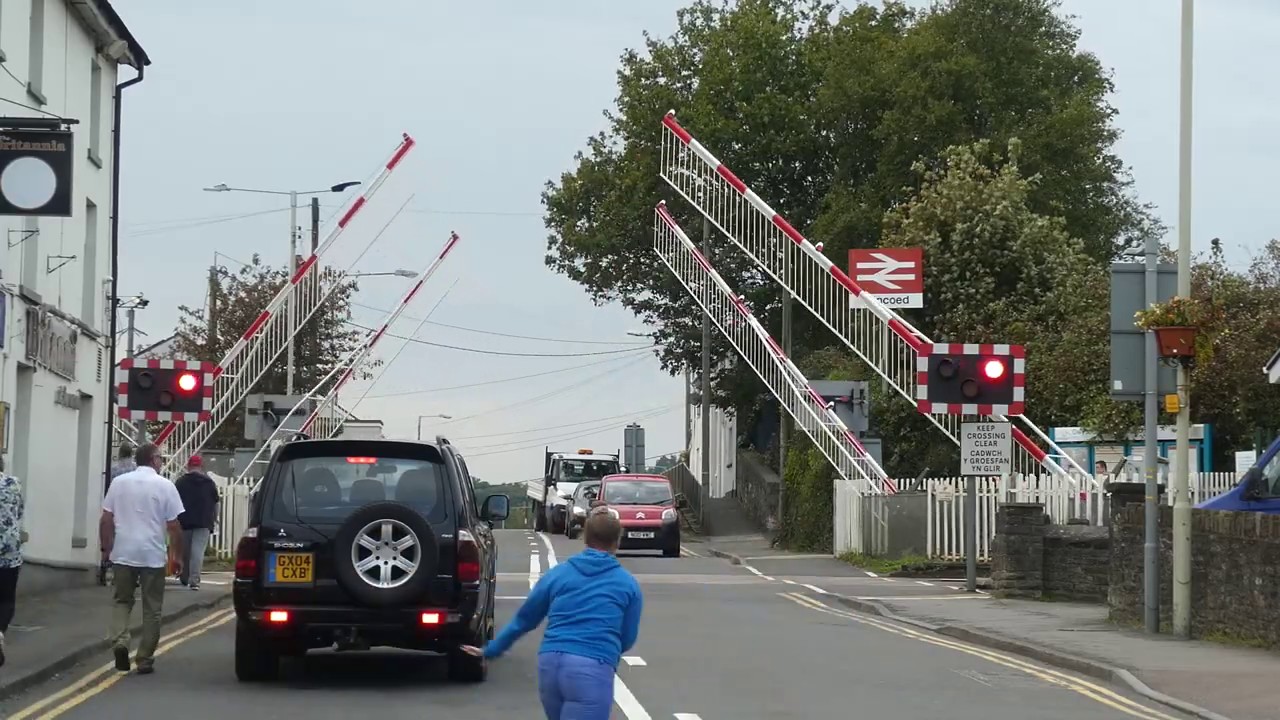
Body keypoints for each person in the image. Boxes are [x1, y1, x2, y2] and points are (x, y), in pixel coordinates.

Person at [463, 508, 643, 720]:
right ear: (617, 540)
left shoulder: (558, 574)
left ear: (585, 537)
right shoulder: (627, 584)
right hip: (591, 669)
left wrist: (491, 649)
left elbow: (524, 620)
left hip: (550, 664)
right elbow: (627, 638)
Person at [100, 443, 184, 674]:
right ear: (153, 459)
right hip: (152, 555)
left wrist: (106, 549)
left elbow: (106, 519)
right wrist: (177, 557)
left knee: (121, 601)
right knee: (152, 609)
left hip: (123, 553)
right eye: (161, 458)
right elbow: (174, 526)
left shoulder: (119, 483)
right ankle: (144, 657)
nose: (162, 462)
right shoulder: (165, 486)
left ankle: (120, 641)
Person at [174, 455, 219, 590]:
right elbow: (216, 503)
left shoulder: (180, 482)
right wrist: (215, 518)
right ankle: (194, 581)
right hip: (204, 521)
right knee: (197, 552)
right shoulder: (209, 483)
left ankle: (184, 577)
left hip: (184, 521)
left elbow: (174, 502)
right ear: (201, 466)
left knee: (185, 551)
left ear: (188, 466)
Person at [0, 456, 24, 668]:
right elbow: (20, 513)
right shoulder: (13, 484)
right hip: (9, 552)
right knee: (6, 599)